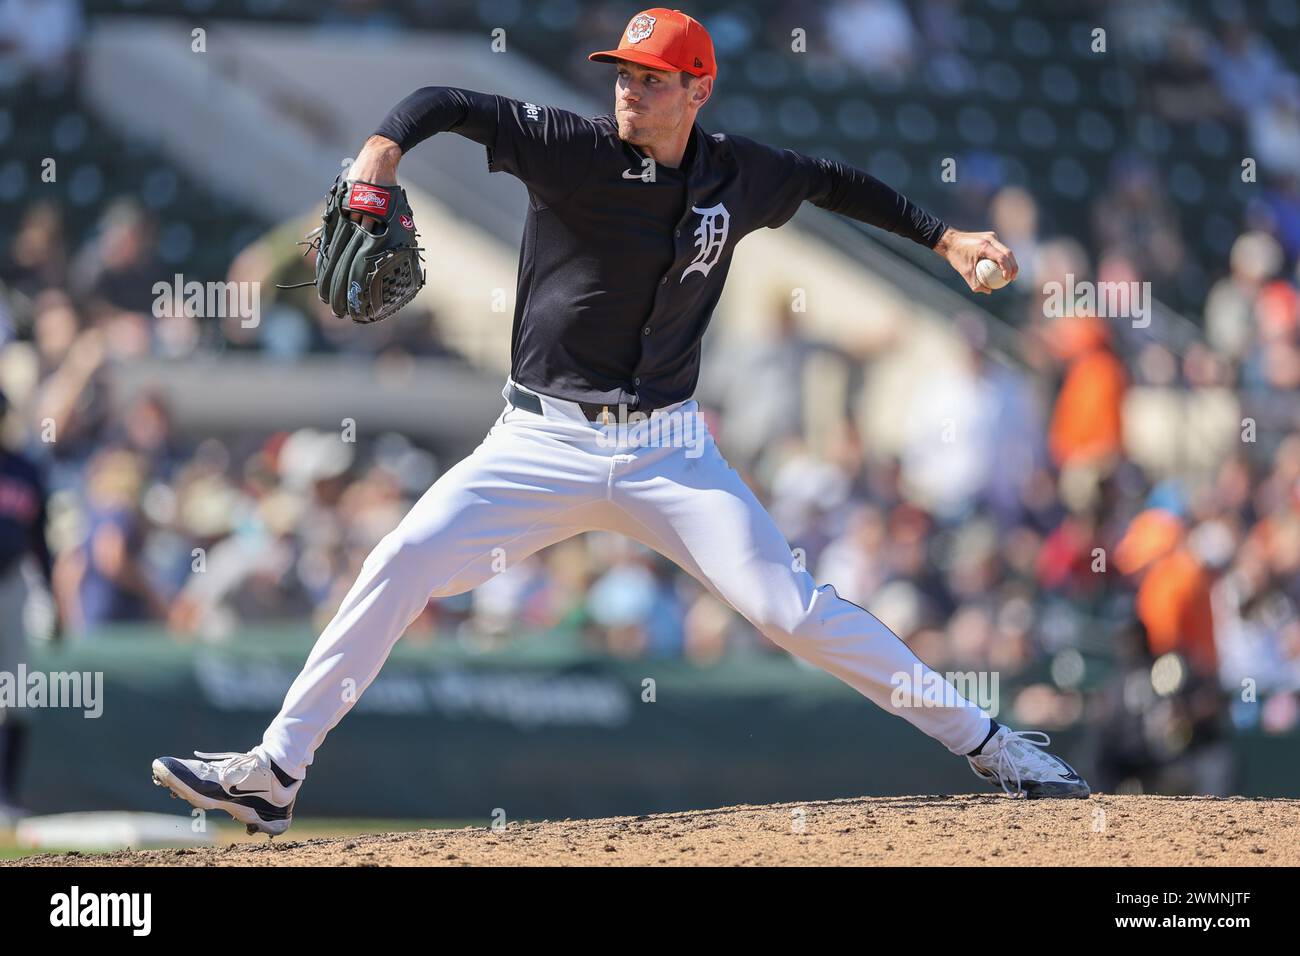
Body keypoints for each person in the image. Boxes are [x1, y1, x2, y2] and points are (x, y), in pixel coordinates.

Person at [152, 8, 1089, 836]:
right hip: (539, 440)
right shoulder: (573, 149)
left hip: (669, 451)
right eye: (623, 75)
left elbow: (838, 182)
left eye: (650, 79)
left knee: (791, 609)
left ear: (697, 90)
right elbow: (442, 99)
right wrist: (377, 157)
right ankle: (276, 772)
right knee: (399, 561)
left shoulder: (740, 174)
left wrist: (950, 238)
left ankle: (993, 746)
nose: (629, 92)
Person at [0, 389, 57, 822]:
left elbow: (41, 537)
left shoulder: (24, 468)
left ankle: (8, 799)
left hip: (15, 584)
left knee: (17, 694)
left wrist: (53, 594)